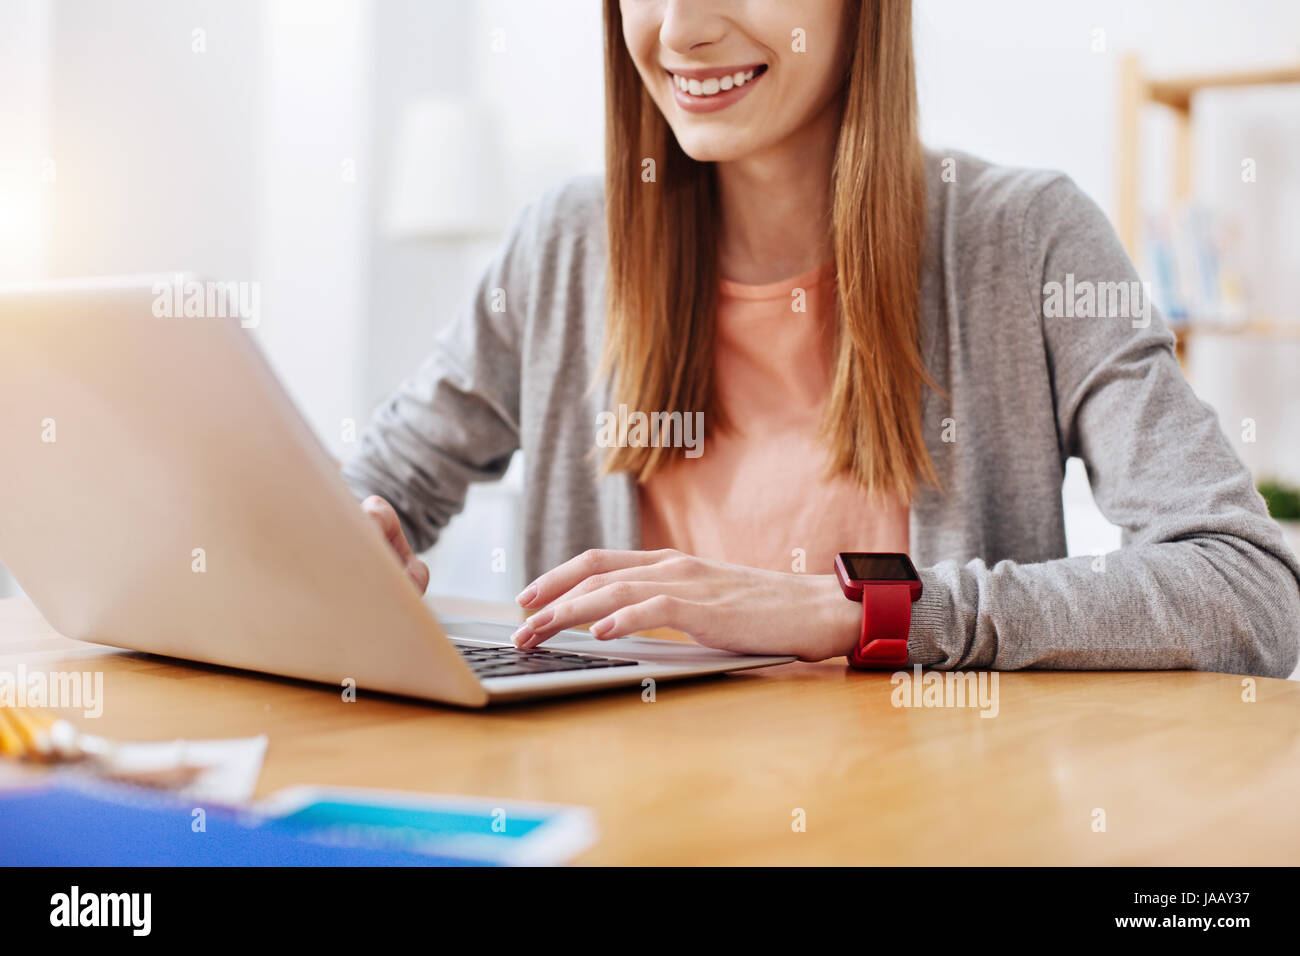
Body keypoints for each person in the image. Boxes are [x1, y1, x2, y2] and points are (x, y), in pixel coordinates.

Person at [343, 0, 1299, 677]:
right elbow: (374, 490)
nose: (681, 29)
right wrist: (342, 538)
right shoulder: (563, 245)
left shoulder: (1026, 239)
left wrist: (866, 615)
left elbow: (1248, 588)